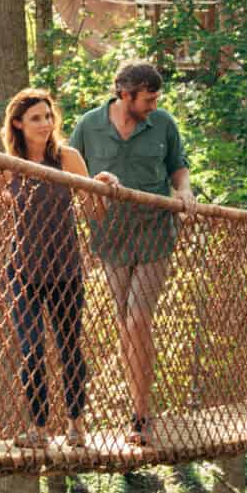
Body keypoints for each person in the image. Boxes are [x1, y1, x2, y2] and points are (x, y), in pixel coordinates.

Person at [0, 89, 98, 447]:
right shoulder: (6, 166)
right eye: (36, 118)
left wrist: (101, 185)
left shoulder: (67, 158)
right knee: (32, 350)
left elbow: (93, 209)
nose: (45, 124)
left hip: (65, 269)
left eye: (48, 116)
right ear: (17, 124)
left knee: (69, 347)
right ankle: (39, 429)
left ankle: (76, 425)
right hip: (23, 271)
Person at [69, 60, 196, 446]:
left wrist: (184, 191)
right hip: (110, 236)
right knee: (125, 323)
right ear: (125, 95)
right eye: (148, 99)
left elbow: (178, 168)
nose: (154, 105)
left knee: (139, 318)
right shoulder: (89, 125)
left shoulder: (163, 124)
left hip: (156, 231)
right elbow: (70, 170)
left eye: (156, 99)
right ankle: (135, 406)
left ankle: (141, 414)